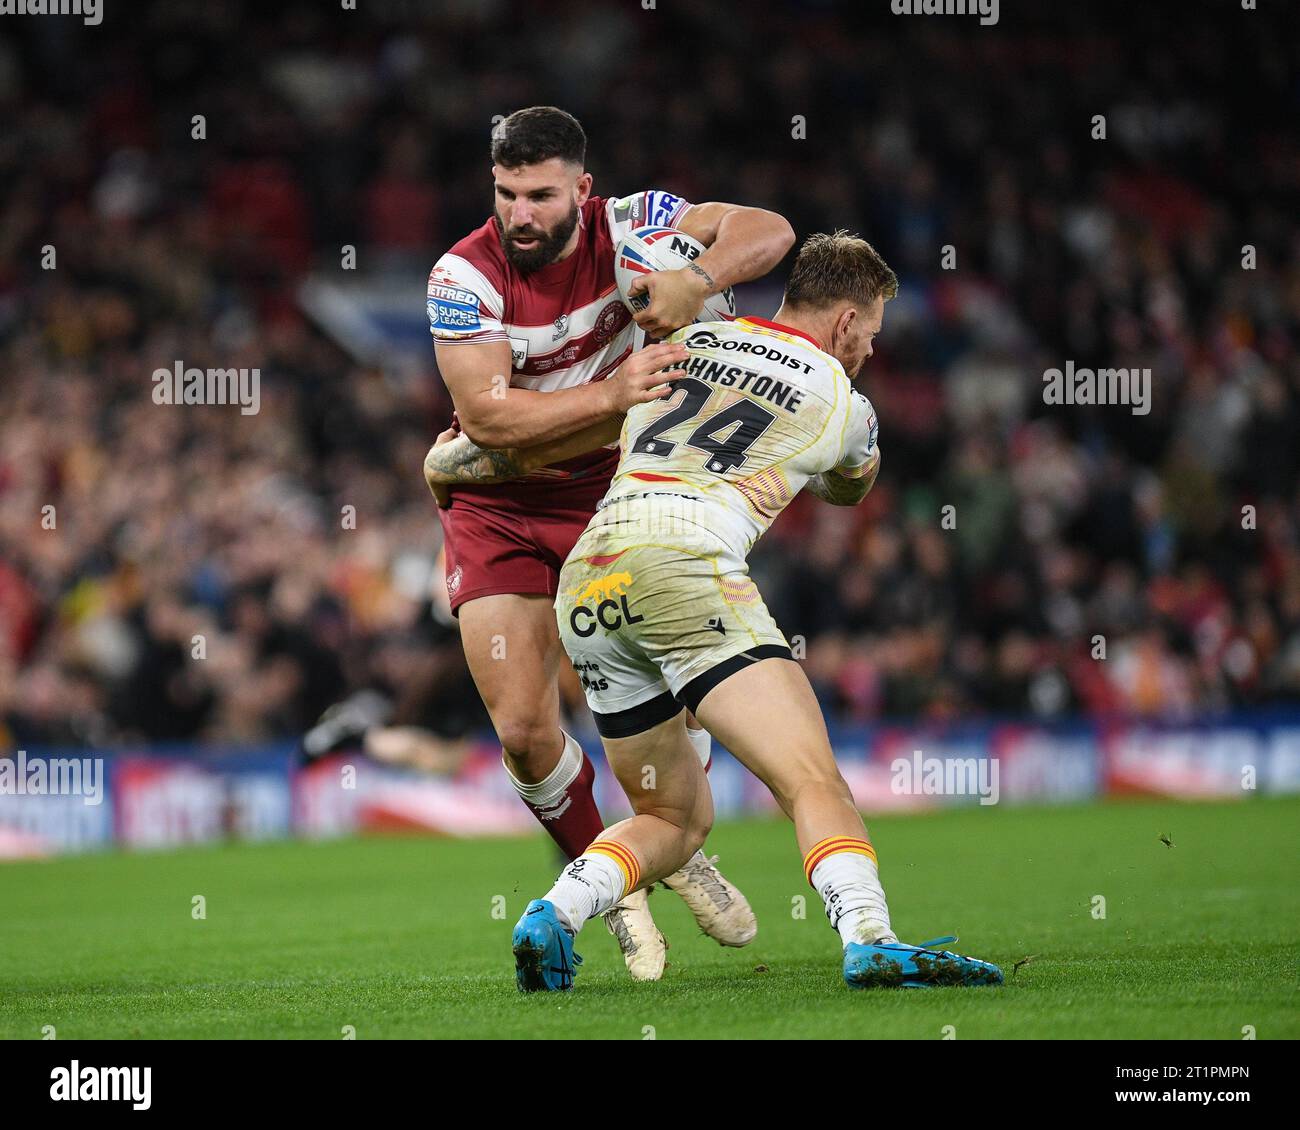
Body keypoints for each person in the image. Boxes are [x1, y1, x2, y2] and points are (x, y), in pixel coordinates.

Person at [430, 230, 1004, 991]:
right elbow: (850, 487)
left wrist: (452, 460)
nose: (868, 349)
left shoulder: (686, 341)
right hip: (684, 563)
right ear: (843, 324)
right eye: (869, 332)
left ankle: (556, 911)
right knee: (810, 779)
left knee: (673, 820)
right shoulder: (847, 402)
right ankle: (869, 935)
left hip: (591, 575)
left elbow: (578, 425)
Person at [427, 105, 795, 978]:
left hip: (613, 500)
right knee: (522, 729)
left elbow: (768, 229)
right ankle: (619, 890)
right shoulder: (462, 274)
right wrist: (613, 393)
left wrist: (698, 279)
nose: (520, 213)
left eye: (541, 196)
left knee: (657, 708)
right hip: (497, 503)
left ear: (583, 191)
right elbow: (487, 416)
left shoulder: (632, 226)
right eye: (507, 193)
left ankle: (673, 846)